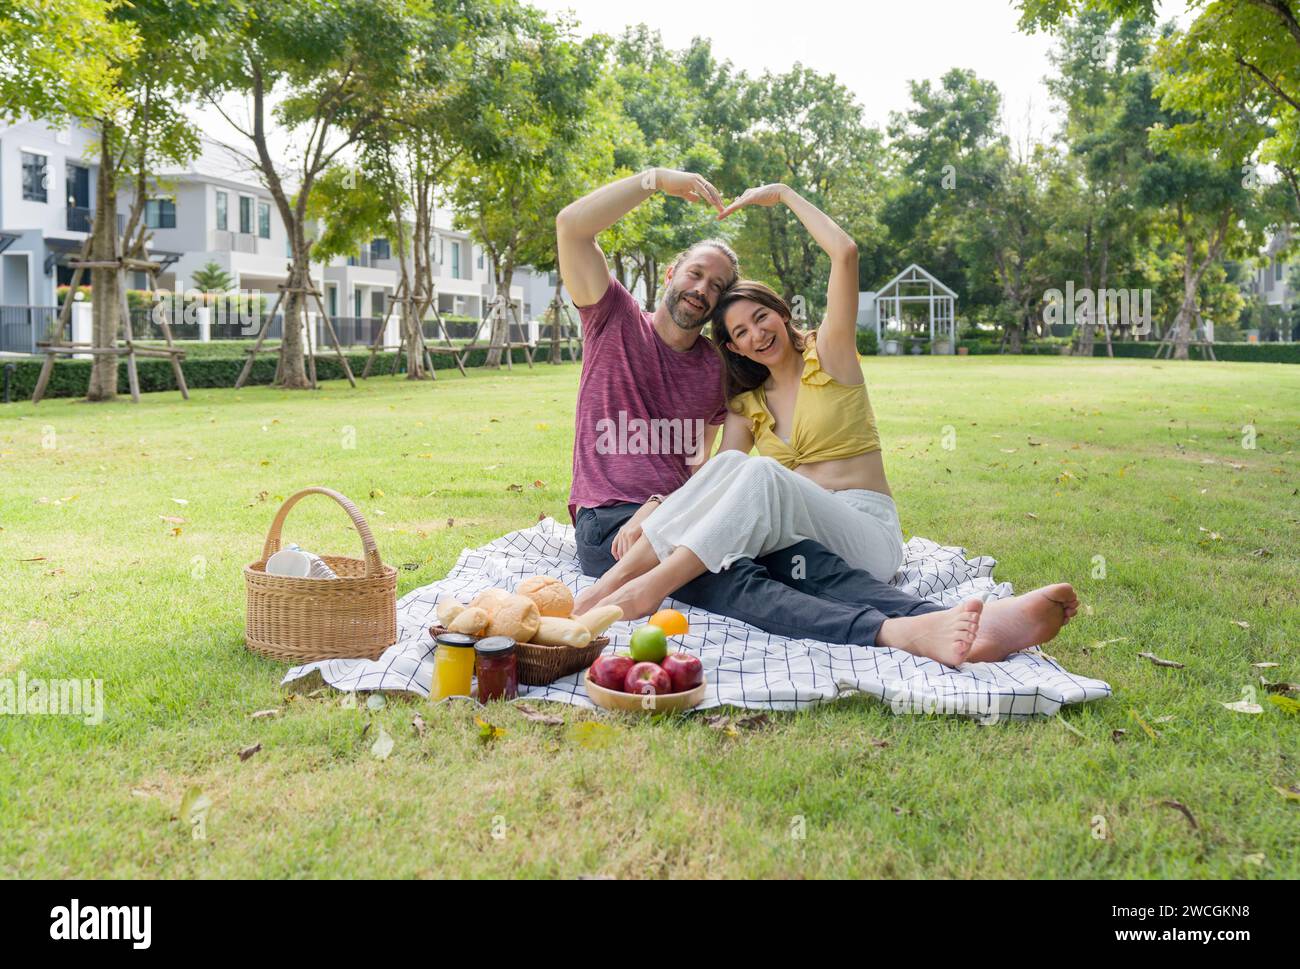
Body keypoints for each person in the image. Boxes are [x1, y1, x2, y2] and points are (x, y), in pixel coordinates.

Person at [572, 182, 1080, 667]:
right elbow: (714, 472)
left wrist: (786, 196)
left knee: (756, 479)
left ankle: (636, 589)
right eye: (740, 332)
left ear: (780, 311)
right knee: (749, 515)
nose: (755, 336)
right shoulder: (746, 402)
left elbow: (846, 254)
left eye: (760, 318)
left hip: (863, 526)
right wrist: (660, 507)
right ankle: (947, 626)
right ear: (731, 346)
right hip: (803, 537)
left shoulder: (830, 353)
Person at [557, 168, 949, 649]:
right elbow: (572, 227)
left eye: (718, 287)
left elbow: (717, 470)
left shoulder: (723, 370)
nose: (703, 289)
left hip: (691, 518)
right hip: (615, 523)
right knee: (739, 574)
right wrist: (655, 180)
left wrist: (663, 506)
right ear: (670, 274)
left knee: (764, 551)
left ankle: (925, 622)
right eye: (695, 274)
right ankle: (901, 629)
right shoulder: (613, 318)